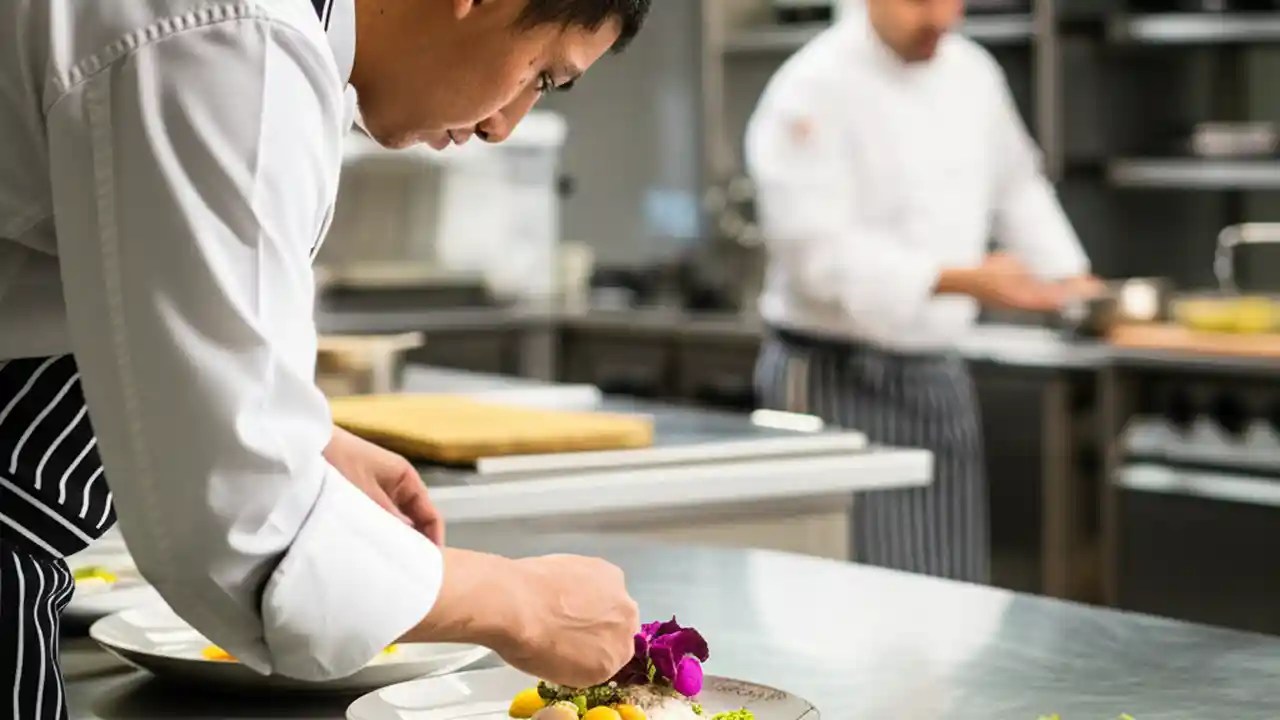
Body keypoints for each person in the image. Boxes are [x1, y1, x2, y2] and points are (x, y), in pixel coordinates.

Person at [0, 0, 649, 715]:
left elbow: (99, 287)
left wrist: (301, 440)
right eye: (544, 76)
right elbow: (245, 533)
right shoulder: (235, 38)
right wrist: (523, 604)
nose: (505, 125)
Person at [745, 0, 1100, 583]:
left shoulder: (973, 73)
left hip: (936, 380)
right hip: (828, 377)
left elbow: (1018, 187)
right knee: (833, 595)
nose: (940, 18)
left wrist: (1071, 278)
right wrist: (957, 279)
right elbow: (813, 254)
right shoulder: (810, 86)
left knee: (947, 588)